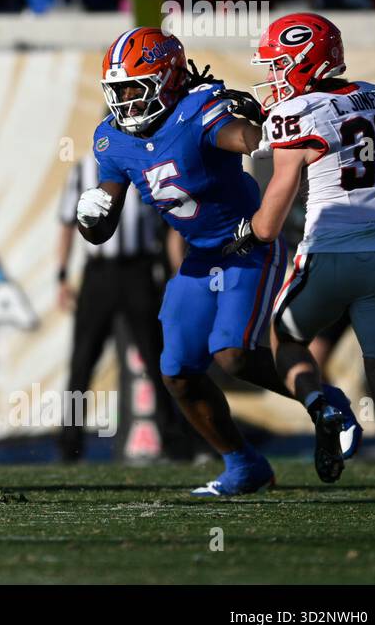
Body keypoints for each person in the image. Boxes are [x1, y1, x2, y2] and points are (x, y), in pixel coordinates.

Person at [75, 26, 359, 495]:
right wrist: (91, 215)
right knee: (178, 373)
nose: (124, 100)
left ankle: (326, 403)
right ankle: (244, 465)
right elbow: (103, 222)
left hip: (249, 246)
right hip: (199, 258)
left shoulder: (198, 110)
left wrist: (249, 120)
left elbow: (250, 140)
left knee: (234, 355)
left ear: (167, 79)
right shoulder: (111, 139)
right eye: (117, 89)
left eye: (133, 87)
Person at [227, 12, 375, 501]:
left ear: (304, 61)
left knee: (285, 340)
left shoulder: (299, 113)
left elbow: (273, 214)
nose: (272, 76)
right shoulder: (371, 94)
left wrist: (249, 231)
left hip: (331, 248)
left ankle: (322, 407)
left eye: (278, 64)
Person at [56, 153, 189, 462]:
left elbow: (170, 226)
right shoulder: (83, 170)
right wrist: (61, 274)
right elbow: (65, 223)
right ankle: (69, 444)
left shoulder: (148, 169)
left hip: (139, 271)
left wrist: (175, 274)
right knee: (82, 361)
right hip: (99, 273)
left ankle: (174, 440)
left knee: (157, 359)